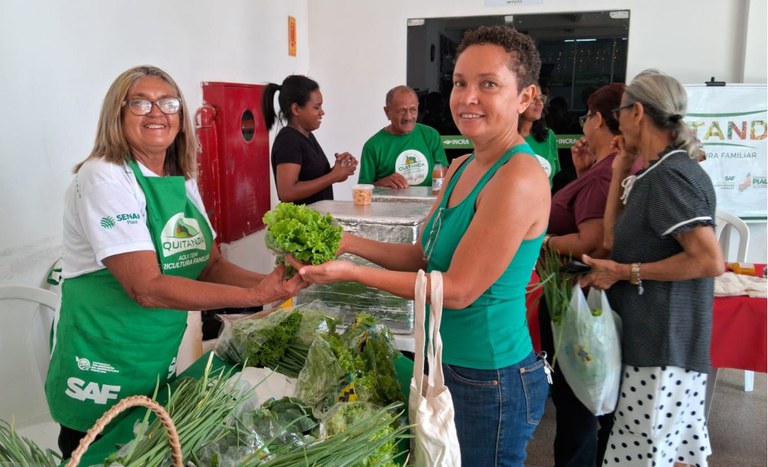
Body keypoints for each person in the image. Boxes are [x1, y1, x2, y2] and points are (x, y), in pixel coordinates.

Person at [291, 25, 551, 466]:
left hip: (490, 376)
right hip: (444, 362)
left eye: (488, 84)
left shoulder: (519, 176)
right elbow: (421, 256)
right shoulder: (462, 165)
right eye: (460, 83)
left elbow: (460, 289)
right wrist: (347, 243)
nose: (468, 97)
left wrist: (352, 272)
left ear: (525, 97)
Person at [46, 65, 307, 459]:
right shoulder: (105, 177)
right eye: (140, 102)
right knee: (96, 455)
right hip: (102, 363)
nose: (157, 112)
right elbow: (145, 287)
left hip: (155, 359)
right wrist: (254, 294)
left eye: (168, 103)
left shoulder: (180, 178)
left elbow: (207, 265)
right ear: (116, 115)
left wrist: (275, 282)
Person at [580, 70, 724, 467]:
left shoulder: (672, 176)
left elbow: (708, 260)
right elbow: (611, 241)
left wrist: (627, 274)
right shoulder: (651, 173)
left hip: (665, 345)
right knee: (662, 452)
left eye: (622, 111)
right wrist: (621, 165)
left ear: (637, 112)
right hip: (652, 340)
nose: (617, 120)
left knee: (645, 454)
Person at [538, 83, 626, 467]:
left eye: (588, 115)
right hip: (581, 295)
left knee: (578, 403)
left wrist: (540, 239)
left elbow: (592, 242)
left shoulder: (606, 175)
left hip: (577, 294)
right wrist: (583, 174)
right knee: (590, 400)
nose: (584, 122)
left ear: (601, 121)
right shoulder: (603, 169)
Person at [261, 75, 357, 205]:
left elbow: (314, 178)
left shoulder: (307, 135)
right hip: (301, 223)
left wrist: (339, 170)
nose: (322, 112)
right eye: (316, 107)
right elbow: (287, 192)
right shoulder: (288, 141)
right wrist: (333, 176)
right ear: (296, 109)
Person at [357, 85, 448, 188]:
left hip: (429, 204)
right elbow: (362, 190)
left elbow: (443, 176)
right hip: (389, 204)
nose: (408, 117)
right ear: (387, 112)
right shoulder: (373, 146)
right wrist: (381, 184)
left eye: (413, 110)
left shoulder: (431, 135)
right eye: (401, 111)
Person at [518, 84, 560, 186]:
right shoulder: (500, 138)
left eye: (541, 98)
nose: (540, 103)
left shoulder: (548, 136)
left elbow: (555, 175)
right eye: (533, 99)